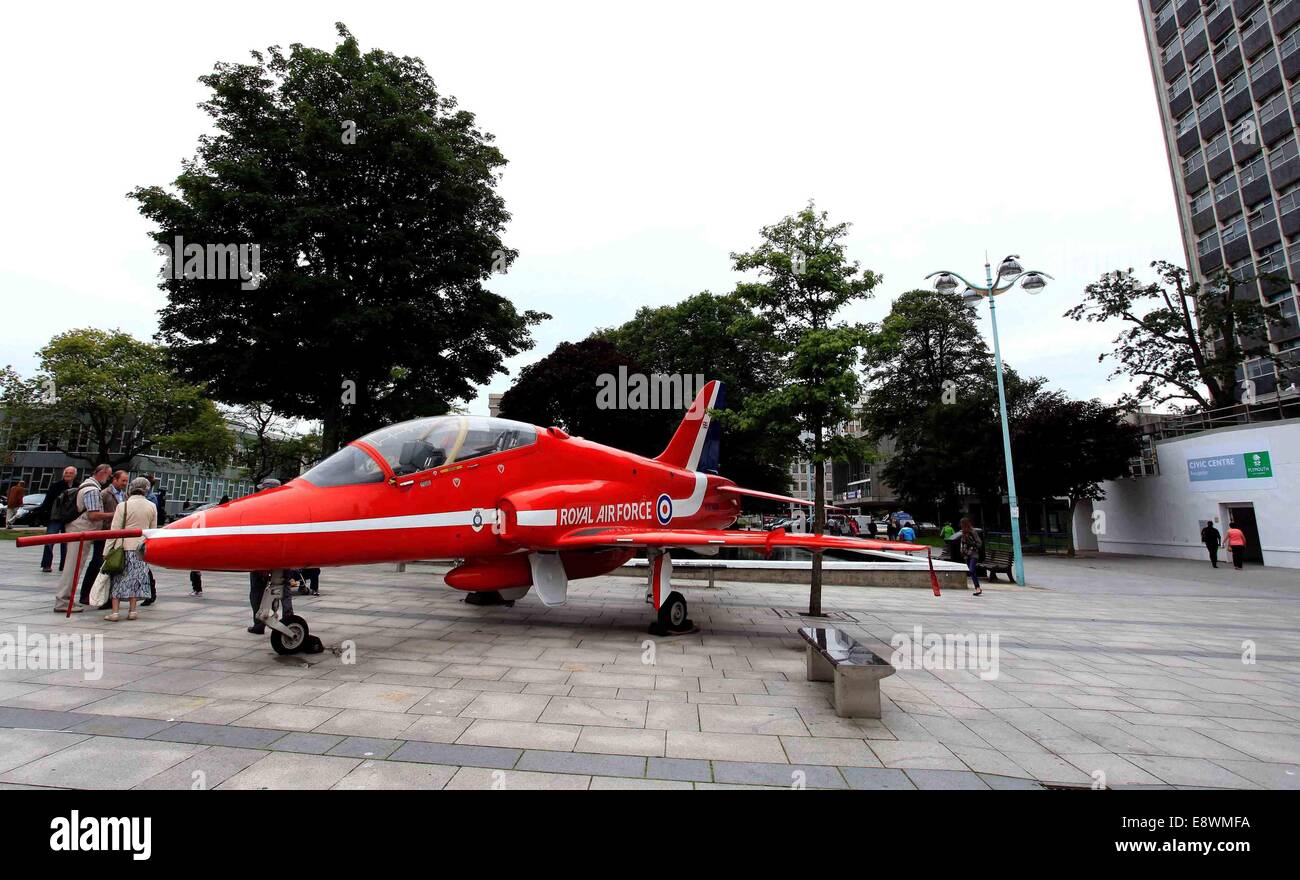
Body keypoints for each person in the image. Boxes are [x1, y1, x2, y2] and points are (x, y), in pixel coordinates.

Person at [53, 464, 114, 613]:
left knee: (73, 567)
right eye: (109, 475)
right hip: (81, 531)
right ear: (103, 473)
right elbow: (93, 515)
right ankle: (63, 601)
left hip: (78, 530)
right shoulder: (92, 490)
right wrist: (114, 514)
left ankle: (65, 600)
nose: (109, 478)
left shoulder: (86, 486)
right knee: (73, 568)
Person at [104, 477, 158, 621]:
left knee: (118, 579)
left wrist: (106, 551)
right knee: (136, 579)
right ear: (146, 489)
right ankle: (133, 610)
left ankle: (115, 612)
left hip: (123, 547)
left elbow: (114, 530)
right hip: (141, 549)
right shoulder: (152, 506)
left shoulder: (123, 506)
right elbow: (152, 530)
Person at [248, 478, 292, 633]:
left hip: (261, 557)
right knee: (284, 591)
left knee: (257, 591)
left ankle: (259, 624)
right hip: (283, 556)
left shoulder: (257, 508)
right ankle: (288, 620)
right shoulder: (288, 508)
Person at [81, 469, 128, 607]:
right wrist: (112, 515)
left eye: (126, 481)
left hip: (117, 534)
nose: (125, 483)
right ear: (115, 480)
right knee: (97, 563)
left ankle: (106, 596)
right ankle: (86, 594)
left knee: (113, 564)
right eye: (122, 481)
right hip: (105, 532)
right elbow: (97, 512)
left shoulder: (124, 495)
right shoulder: (105, 494)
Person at [38, 466, 77, 572]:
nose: (68, 474)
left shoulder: (78, 486)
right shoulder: (56, 486)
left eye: (71, 473)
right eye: (66, 472)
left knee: (66, 543)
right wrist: (42, 515)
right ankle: (46, 564)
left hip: (69, 518)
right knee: (49, 541)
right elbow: (48, 501)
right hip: (55, 517)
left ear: (75, 475)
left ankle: (64, 565)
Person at [960, 517, 983, 597]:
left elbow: (979, 543)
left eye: (962, 524)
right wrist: (963, 551)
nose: (961, 526)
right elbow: (962, 543)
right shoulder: (963, 533)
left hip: (974, 554)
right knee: (971, 571)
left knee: (972, 570)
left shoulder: (972, 532)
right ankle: (977, 588)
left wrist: (972, 545)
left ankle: (977, 588)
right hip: (967, 554)